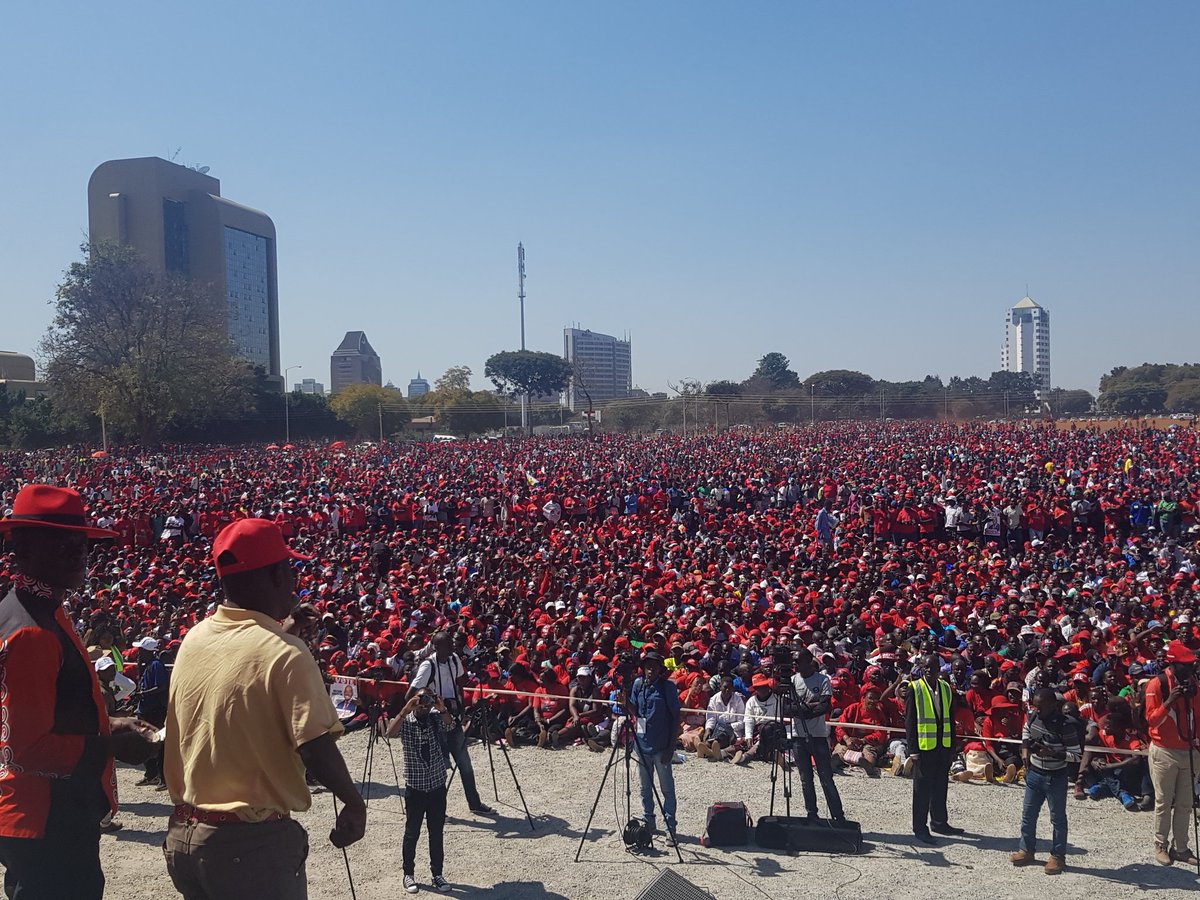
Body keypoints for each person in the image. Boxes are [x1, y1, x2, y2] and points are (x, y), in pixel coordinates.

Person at [163, 519, 367, 900]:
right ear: (276, 575)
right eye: (289, 569)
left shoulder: (195, 638)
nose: (294, 581)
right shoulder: (288, 655)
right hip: (250, 847)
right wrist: (354, 804)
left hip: (187, 840)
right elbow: (315, 745)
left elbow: (241, 665)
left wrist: (283, 629)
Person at [0, 485, 157, 900]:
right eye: (62, 543)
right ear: (23, 548)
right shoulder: (32, 631)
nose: (78, 553)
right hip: (47, 816)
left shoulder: (36, 609)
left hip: (44, 815)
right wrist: (110, 745)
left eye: (81, 542)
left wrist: (111, 722)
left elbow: (52, 711)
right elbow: (29, 747)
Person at [407, 632, 495, 815]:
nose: (452, 648)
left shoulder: (454, 659)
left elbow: (460, 682)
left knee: (465, 764)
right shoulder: (427, 666)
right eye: (448, 645)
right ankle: (436, 809)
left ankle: (474, 803)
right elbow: (410, 694)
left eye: (452, 644)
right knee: (440, 767)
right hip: (434, 720)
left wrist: (462, 705)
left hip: (452, 717)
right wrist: (431, 701)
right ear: (436, 647)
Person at [387, 689, 454, 893]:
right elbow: (389, 733)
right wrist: (406, 709)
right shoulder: (407, 722)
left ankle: (437, 874)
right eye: (421, 700)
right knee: (412, 832)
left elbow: (451, 725)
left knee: (436, 833)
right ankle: (408, 873)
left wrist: (441, 707)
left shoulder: (435, 719)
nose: (424, 705)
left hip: (436, 785)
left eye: (427, 700)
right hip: (415, 787)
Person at [1010, 688, 1080, 875]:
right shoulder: (1033, 716)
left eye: (1040, 706)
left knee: (1057, 819)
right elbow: (1026, 730)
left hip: (1056, 777)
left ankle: (1058, 856)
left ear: (1053, 705)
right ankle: (1026, 850)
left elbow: (1076, 755)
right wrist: (1025, 751)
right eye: (1035, 705)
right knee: (1028, 815)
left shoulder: (1065, 726)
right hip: (1034, 773)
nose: (1037, 709)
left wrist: (1053, 753)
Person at [1143, 640, 1200, 867]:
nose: (1191, 669)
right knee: (1164, 802)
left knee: (1186, 803)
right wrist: (1170, 701)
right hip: (1164, 751)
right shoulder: (1156, 685)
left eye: (1192, 665)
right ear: (1174, 665)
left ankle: (1181, 848)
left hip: (1189, 750)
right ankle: (1160, 845)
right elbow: (1151, 721)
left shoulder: (1194, 684)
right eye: (1186, 666)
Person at [620, 651, 681, 844]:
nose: (650, 670)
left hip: (662, 746)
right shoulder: (639, 685)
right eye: (647, 666)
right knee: (644, 787)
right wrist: (624, 701)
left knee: (666, 788)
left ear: (660, 669)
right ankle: (649, 820)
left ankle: (670, 826)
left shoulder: (668, 688)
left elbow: (675, 717)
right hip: (641, 743)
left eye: (654, 666)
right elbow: (637, 713)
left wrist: (671, 747)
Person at [906, 653, 962, 844]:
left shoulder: (946, 688)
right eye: (925, 667)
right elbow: (910, 722)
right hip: (923, 747)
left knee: (940, 786)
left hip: (942, 746)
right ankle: (920, 828)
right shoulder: (914, 688)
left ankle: (939, 822)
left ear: (939, 668)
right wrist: (913, 750)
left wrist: (952, 747)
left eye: (932, 667)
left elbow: (950, 720)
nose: (928, 670)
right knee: (921, 790)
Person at [790, 646, 846, 822]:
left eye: (798, 661)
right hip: (798, 736)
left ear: (808, 662)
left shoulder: (822, 680)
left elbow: (824, 706)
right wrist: (808, 708)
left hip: (818, 736)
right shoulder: (791, 680)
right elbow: (786, 707)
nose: (795, 665)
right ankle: (811, 814)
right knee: (805, 779)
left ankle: (838, 815)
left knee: (826, 778)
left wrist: (803, 711)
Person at [132, 636, 170, 789]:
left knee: (158, 743)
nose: (139, 652)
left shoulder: (156, 665)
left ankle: (163, 778)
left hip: (154, 710)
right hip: (146, 709)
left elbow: (162, 686)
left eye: (141, 649)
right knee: (145, 742)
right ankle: (151, 774)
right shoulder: (147, 664)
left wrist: (144, 693)